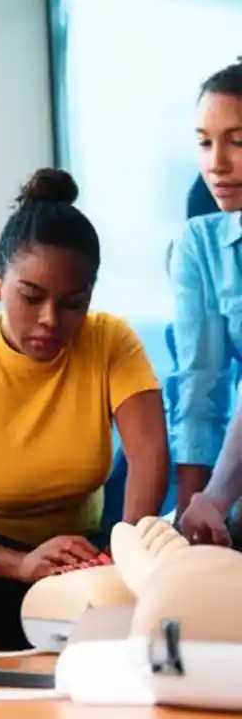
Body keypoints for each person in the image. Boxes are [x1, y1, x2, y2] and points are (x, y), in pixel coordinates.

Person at [0, 168, 169, 650]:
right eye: (31, 297)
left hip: (87, 551)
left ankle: (82, 614)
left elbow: (148, 453)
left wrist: (124, 559)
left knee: (181, 566)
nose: (49, 320)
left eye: (72, 304)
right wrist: (23, 565)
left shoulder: (110, 341)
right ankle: (77, 618)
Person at [172, 59, 242, 548]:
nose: (217, 162)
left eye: (237, 141)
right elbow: (202, 388)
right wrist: (192, 515)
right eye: (205, 141)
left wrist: (217, 496)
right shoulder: (200, 242)